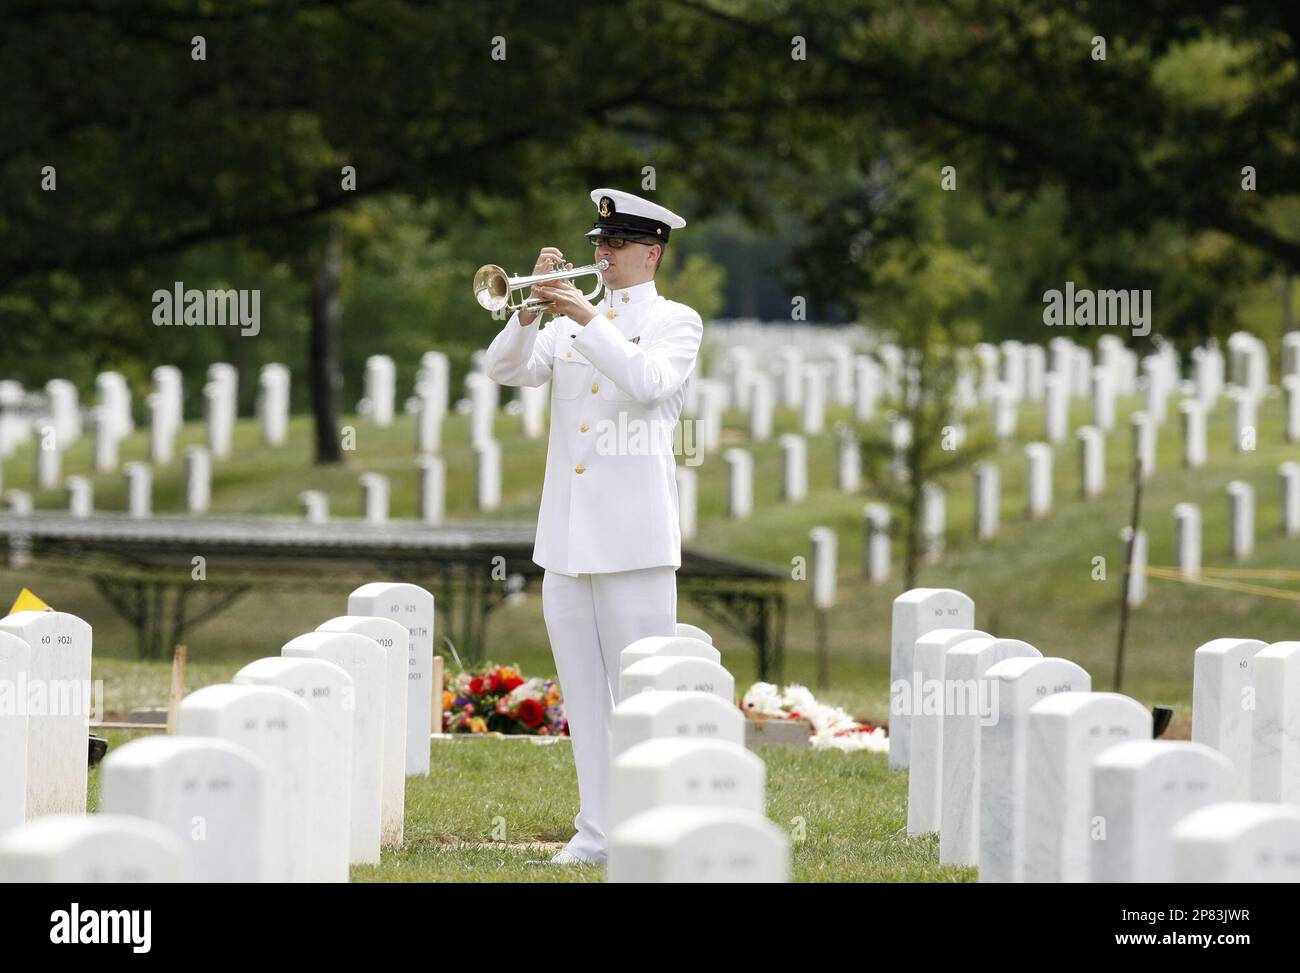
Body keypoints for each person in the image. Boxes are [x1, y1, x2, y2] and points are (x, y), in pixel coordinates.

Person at [483, 188, 703, 864]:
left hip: (634, 543)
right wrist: (527, 310)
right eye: (597, 245)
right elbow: (505, 368)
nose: (601, 255)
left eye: (614, 246)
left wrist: (583, 315)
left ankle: (647, 828)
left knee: (641, 698)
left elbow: (648, 382)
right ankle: (598, 830)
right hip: (568, 541)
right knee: (583, 694)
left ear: (651, 252)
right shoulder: (571, 322)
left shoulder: (675, 320)